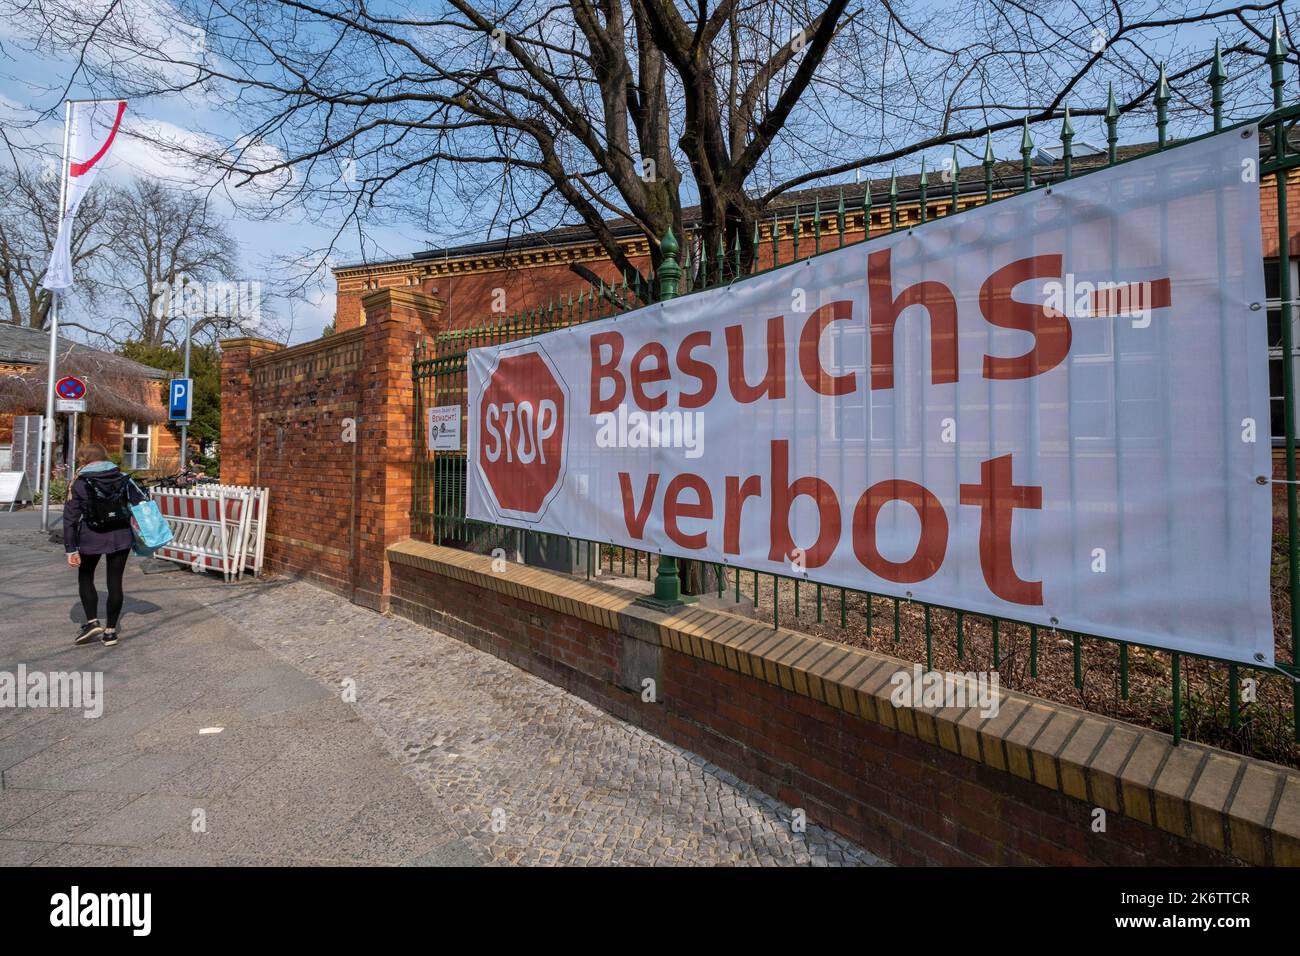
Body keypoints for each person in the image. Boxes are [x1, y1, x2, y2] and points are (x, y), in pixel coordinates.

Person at [63, 443, 145, 647]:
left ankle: (92, 623)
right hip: (121, 535)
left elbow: (70, 519)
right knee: (115, 582)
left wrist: (71, 549)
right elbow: (141, 501)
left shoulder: (79, 482)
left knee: (85, 576)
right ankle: (110, 632)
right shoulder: (123, 477)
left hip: (91, 536)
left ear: (83, 459)